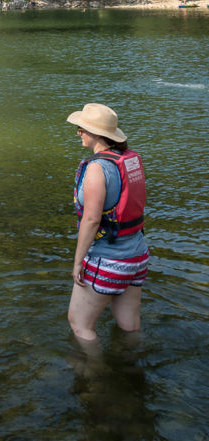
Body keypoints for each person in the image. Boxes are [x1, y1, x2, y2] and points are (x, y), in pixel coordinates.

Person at [66, 102, 149, 344]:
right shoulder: (129, 159)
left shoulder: (97, 168)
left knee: (79, 324)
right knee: (130, 324)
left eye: (82, 128)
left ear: (95, 134)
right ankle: (132, 370)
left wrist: (78, 262)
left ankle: (97, 376)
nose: (78, 132)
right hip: (137, 255)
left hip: (108, 258)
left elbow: (91, 220)